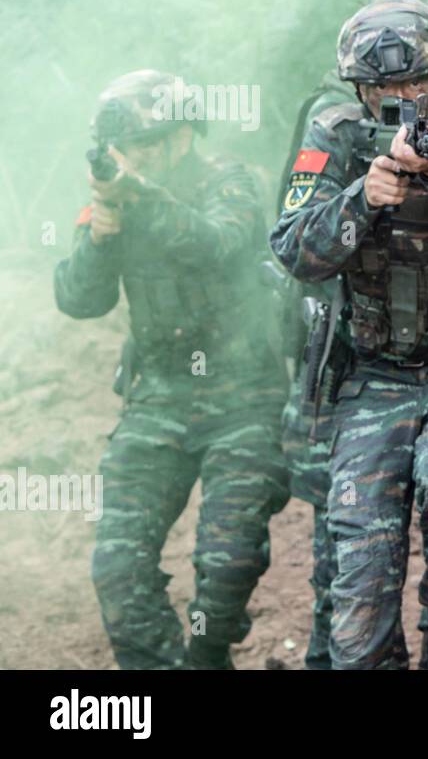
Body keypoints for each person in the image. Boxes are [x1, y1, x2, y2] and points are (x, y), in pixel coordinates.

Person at [270, 0, 428, 669]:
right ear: (358, 89)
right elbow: (293, 248)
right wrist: (362, 196)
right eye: (381, 88)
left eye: (414, 85)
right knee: (358, 558)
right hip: (372, 374)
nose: (398, 99)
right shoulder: (332, 134)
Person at [55, 69, 289, 669]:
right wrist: (100, 237)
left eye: (144, 144)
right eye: (124, 149)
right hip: (156, 398)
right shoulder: (123, 197)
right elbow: (81, 300)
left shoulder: (227, 179)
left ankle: (209, 656)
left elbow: (216, 241)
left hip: (243, 398)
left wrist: (138, 199)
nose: (133, 159)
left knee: (228, 561)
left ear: (183, 135)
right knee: (117, 565)